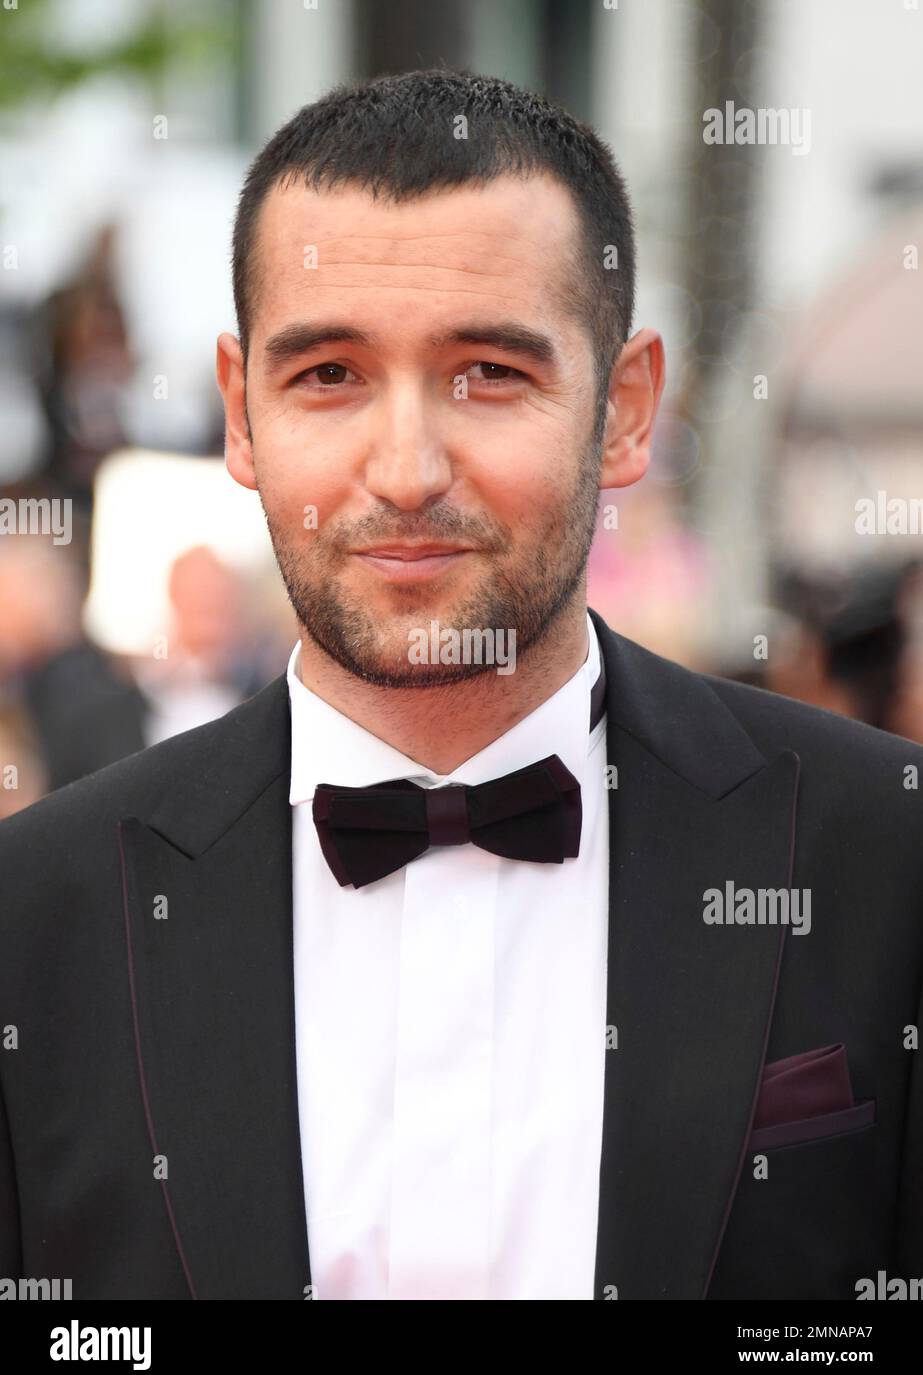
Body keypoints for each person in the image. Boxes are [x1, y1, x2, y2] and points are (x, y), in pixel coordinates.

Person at [0, 69, 920, 1302]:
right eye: (326, 373)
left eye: (488, 372)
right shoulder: (35, 920)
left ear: (623, 411)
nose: (405, 468)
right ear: (239, 413)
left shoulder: (885, 857)